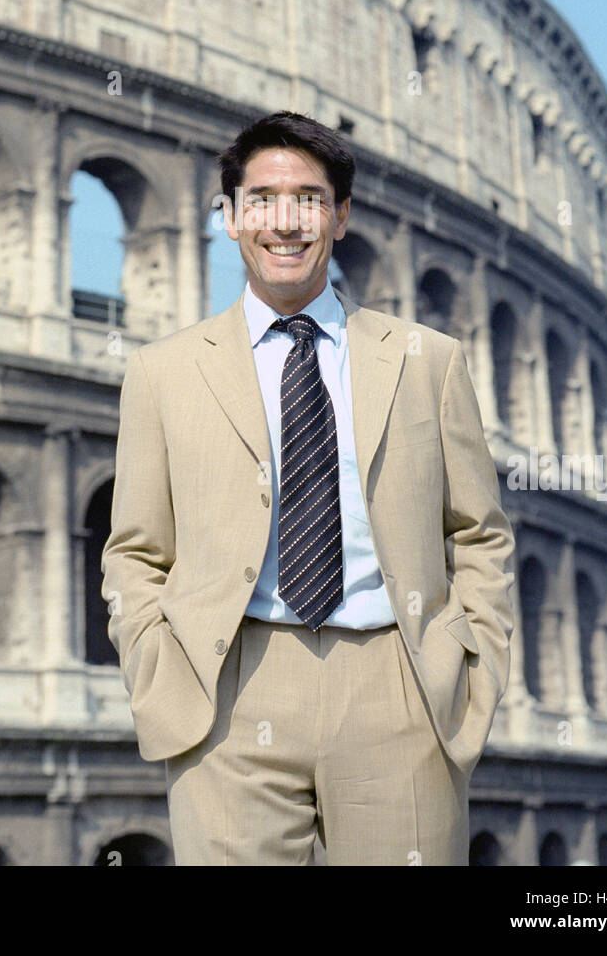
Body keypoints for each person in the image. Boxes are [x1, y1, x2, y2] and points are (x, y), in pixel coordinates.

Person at [101, 111, 515, 865]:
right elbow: (135, 549)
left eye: (309, 199)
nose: (283, 223)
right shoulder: (163, 372)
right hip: (229, 688)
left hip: (398, 680)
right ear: (229, 218)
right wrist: (155, 669)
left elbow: (479, 532)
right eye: (260, 199)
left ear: (341, 216)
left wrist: (470, 663)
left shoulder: (427, 361)